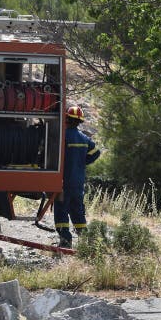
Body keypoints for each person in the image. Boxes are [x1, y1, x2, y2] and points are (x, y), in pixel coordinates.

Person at [55, 105, 101, 248]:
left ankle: (66, 240)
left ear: (67, 119)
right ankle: (86, 240)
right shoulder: (84, 138)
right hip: (78, 182)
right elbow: (96, 153)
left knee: (61, 210)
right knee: (77, 210)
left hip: (63, 183)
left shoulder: (63, 137)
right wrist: (82, 162)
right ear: (79, 121)